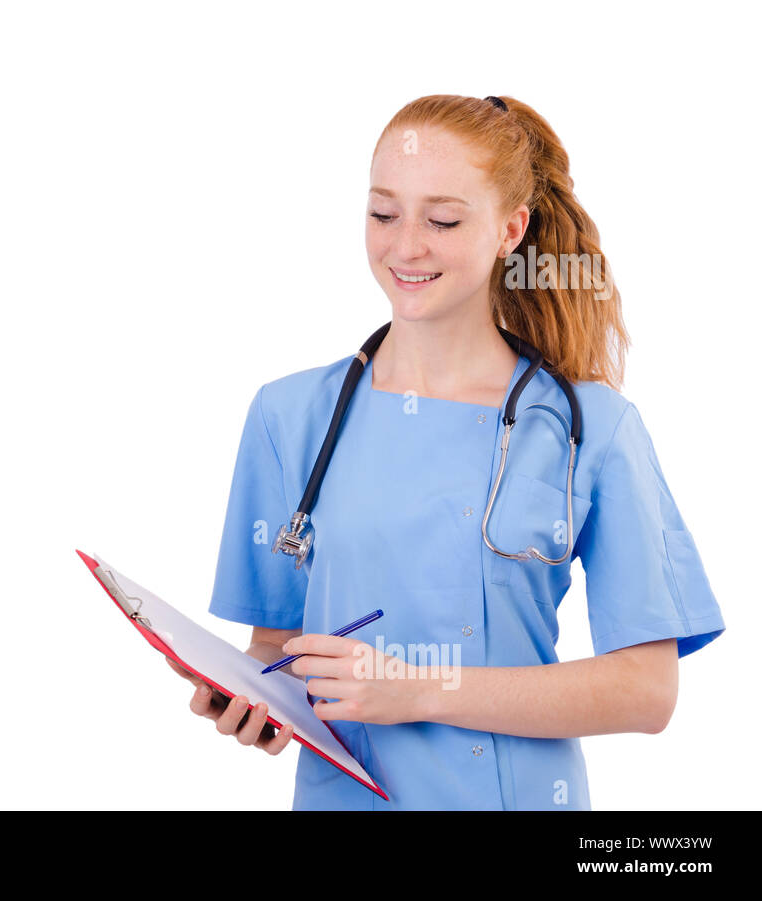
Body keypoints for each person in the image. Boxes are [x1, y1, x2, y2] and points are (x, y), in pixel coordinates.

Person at [168, 94, 724, 809]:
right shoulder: (289, 415)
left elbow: (647, 692)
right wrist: (255, 698)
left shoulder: (593, 427)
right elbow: (277, 648)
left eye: (443, 220)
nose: (405, 246)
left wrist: (419, 688)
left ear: (510, 230)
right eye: (382, 213)